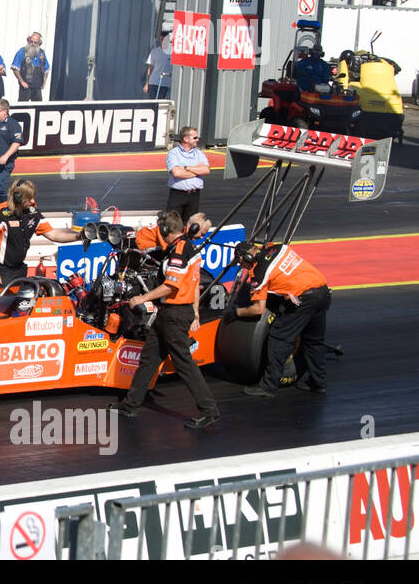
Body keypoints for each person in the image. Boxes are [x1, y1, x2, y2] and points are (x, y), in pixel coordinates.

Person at [111, 210, 220, 429]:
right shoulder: (188, 249)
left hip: (174, 314)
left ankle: (209, 410)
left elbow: (171, 286)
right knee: (149, 359)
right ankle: (130, 404)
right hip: (170, 313)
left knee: (183, 363)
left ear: (164, 230)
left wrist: (142, 297)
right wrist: (195, 312)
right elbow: (195, 285)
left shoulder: (180, 252)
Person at [234, 241, 332, 397]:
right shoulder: (277, 247)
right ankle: (318, 382)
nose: (241, 265)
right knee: (314, 341)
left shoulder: (258, 272)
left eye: (240, 262)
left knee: (278, 339)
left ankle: (268, 387)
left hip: (304, 300)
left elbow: (258, 309)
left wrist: (237, 312)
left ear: (247, 257)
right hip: (323, 292)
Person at [0, 179, 81, 288]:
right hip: (1, 270)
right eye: (29, 198)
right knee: (5, 303)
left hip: (19, 269)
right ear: (18, 198)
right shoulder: (0, 214)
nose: (32, 201)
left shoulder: (33, 213)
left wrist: (78, 236)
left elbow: (53, 234)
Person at [166, 125, 208, 219]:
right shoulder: (173, 153)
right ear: (185, 139)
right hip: (178, 195)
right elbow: (177, 173)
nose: (197, 139)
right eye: (195, 137)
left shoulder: (199, 154)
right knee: (172, 225)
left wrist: (186, 167)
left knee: (190, 226)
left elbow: (206, 170)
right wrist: (197, 170)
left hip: (194, 195)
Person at [11, 32, 49, 101]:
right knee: (23, 108)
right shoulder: (22, 51)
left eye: (35, 42)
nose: (33, 44)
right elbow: (15, 68)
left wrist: (44, 82)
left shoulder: (42, 53)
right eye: (31, 41)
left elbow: (46, 68)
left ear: (39, 43)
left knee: (38, 107)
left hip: (37, 87)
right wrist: (22, 81)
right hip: (26, 87)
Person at [144, 30, 172, 99]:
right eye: (161, 39)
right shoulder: (154, 52)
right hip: (153, 82)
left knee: (160, 104)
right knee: (152, 104)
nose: (162, 41)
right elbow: (150, 68)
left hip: (165, 83)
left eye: (164, 39)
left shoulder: (172, 53)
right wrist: (147, 84)